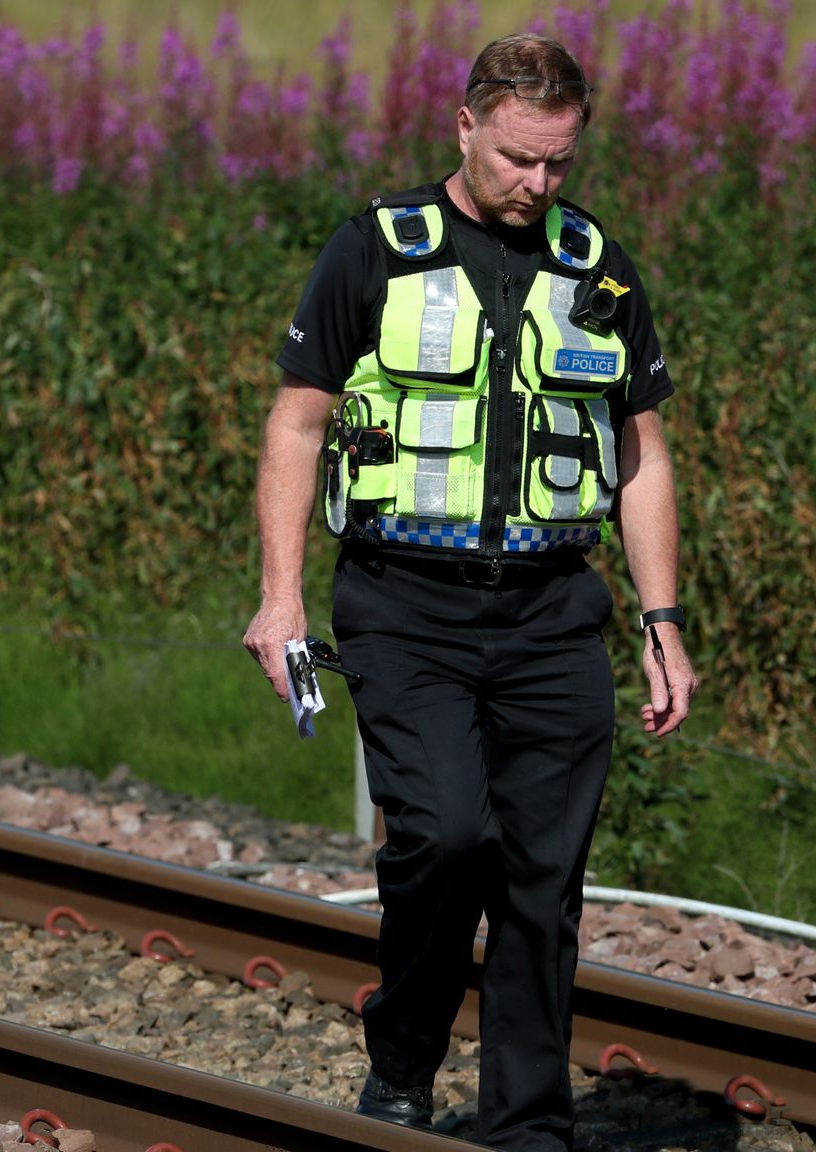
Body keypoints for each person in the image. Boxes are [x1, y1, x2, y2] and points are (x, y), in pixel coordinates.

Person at [241, 33, 699, 1152]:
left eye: (558, 162)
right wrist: (279, 598)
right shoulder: (374, 248)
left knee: (542, 883)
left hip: (553, 613)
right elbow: (297, 425)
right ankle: (402, 1055)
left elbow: (641, 456)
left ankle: (527, 1126)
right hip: (404, 606)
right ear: (465, 126)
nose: (538, 183)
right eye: (516, 159)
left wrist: (663, 622)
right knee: (444, 839)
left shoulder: (599, 268)